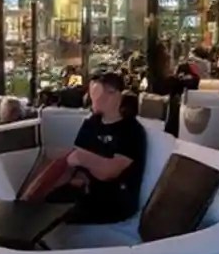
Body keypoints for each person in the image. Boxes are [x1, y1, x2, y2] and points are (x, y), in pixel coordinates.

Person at [46, 72, 147, 224]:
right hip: (86, 191)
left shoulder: (131, 130)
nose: (91, 99)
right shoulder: (92, 123)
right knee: (43, 203)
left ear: (113, 95)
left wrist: (82, 158)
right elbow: (76, 162)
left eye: (96, 93)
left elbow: (108, 171)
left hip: (113, 202)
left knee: (53, 216)